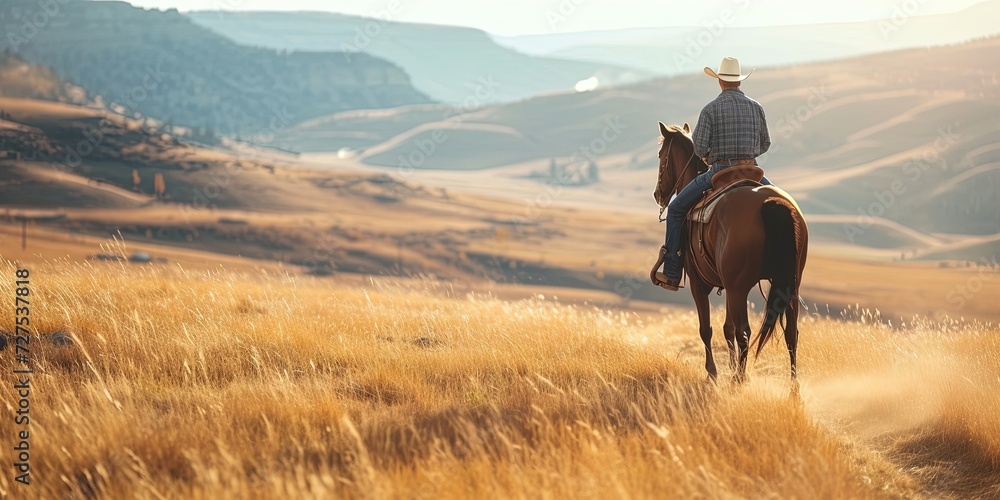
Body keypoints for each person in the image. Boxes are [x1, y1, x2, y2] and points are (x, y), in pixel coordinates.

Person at [654, 56, 774, 291]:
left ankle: (671, 271)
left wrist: (711, 157)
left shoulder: (711, 109)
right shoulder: (756, 107)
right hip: (753, 171)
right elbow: (766, 143)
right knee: (782, 202)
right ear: (739, 81)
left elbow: (698, 149)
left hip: (721, 170)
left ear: (719, 81)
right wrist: (748, 155)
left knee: (677, 208)